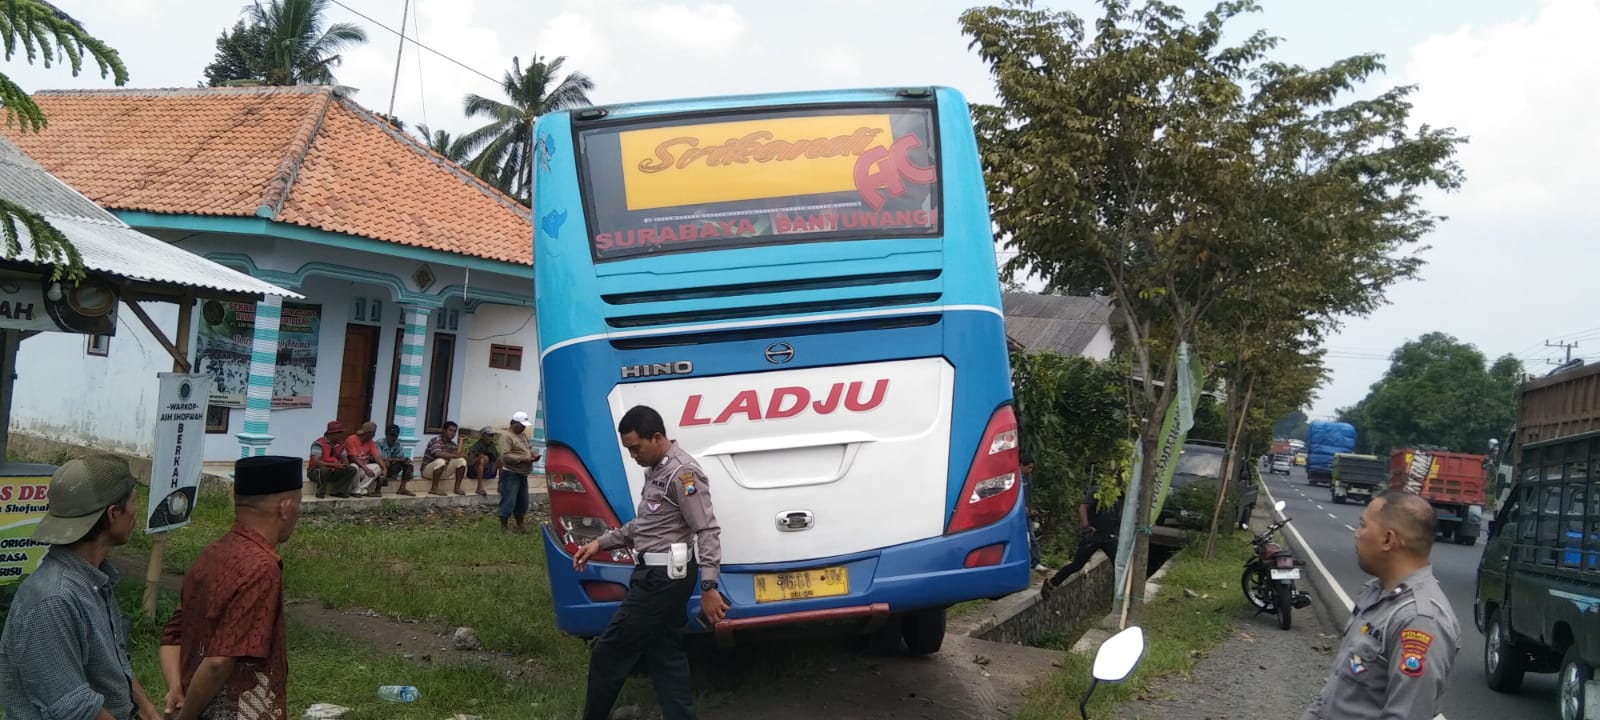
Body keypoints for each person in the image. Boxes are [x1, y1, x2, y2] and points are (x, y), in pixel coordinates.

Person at [573, 405, 725, 720]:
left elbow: (706, 529)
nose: (633, 456)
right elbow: (644, 526)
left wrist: (710, 586)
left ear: (656, 437)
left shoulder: (683, 473)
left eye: (636, 448)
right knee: (664, 653)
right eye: (629, 450)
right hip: (654, 574)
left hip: (664, 579)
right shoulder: (656, 471)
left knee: (609, 651)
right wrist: (599, 543)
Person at [0, 455, 163, 720]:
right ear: (113, 514)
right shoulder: (53, 599)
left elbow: (114, 667)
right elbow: (76, 709)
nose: (136, 511)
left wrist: (149, 711)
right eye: (133, 501)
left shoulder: (94, 579)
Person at [159, 455, 304, 720]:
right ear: (285, 506)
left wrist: (176, 688)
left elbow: (173, 634)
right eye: (298, 503)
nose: (297, 512)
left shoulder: (213, 553)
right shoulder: (261, 568)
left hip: (195, 700)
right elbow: (218, 661)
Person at [1301, 490, 1460, 720]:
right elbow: (1335, 692)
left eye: (1363, 526)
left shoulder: (1420, 620)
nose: (1356, 534)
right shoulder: (1375, 594)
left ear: (1388, 540)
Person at [1041, 479, 1124, 599]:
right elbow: (1083, 507)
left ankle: (1120, 596)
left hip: (1109, 536)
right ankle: (1051, 583)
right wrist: (1086, 526)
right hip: (1093, 534)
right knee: (1077, 565)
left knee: (1119, 564)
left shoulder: (1122, 494)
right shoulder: (1099, 490)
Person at [496, 411, 540, 531]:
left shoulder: (522, 435)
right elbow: (505, 456)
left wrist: (532, 454)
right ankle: (504, 527)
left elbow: (528, 447)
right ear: (514, 423)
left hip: (522, 473)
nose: (523, 428)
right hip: (511, 472)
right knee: (509, 500)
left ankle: (520, 526)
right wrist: (525, 458)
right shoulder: (506, 436)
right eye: (521, 425)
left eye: (524, 425)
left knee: (522, 502)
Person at [308, 421, 357, 498]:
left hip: (332, 471)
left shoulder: (340, 445)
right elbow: (315, 461)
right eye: (339, 433)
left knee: (351, 469)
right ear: (332, 434)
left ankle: (339, 491)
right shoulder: (318, 444)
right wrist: (333, 465)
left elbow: (345, 460)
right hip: (316, 471)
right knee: (324, 469)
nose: (341, 435)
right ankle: (320, 491)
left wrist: (343, 464)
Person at [422, 421, 467, 497]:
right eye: (450, 430)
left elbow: (458, 455)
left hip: (443, 471)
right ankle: (434, 488)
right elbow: (437, 453)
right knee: (440, 461)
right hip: (428, 471)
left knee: (462, 461)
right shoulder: (435, 440)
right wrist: (455, 455)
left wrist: (461, 440)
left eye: (454, 431)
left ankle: (457, 488)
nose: (452, 433)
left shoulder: (452, 444)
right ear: (444, 430)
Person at [343, 421, 387, 497]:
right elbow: (353, 458)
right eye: (374, 433)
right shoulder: (351, 439)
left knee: (378, 467)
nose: (374, 435)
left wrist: (384, 468)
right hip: (352, 469)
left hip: (363, 470)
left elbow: (377, 457)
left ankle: (362, 488)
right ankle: (355, 490)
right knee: (354, 466)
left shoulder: (370, 442)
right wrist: (366, 468)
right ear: (369, 433)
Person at [1019, 454, 1047, 572]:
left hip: (1027, 514)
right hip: (1017, 513)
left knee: (1032, 538)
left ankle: (1035, 562)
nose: (1030, 470)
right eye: (1028, 468)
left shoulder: (1028, 477)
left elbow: (1028, 495)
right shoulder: (1014, 477)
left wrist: (1030, 509)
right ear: (1021, 465)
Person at [376, 423, 415, 496]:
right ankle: (377, 490)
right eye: (391, 435)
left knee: (408, 464)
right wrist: (394, 460)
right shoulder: (379, 442)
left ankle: (402, 488)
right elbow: (379, 458)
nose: (393, 438)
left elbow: (402, 458)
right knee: (384, 463)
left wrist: (402, 460)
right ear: (386, 435)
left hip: (391, 467)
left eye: (395, 436)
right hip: (379, 466)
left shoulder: (397, 444)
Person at [465, 425, 500, 497]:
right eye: (489, 435)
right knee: (482, 459)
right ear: (483, 435)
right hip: (475, 472)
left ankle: (501, 486)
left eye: (492, 435)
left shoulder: (492, 446)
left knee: (502, 460)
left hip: (488, 471)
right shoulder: (476, 446)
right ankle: (479, 487)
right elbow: (469, 463)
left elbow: (496, 459)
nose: (491, 437)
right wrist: (480, 458)